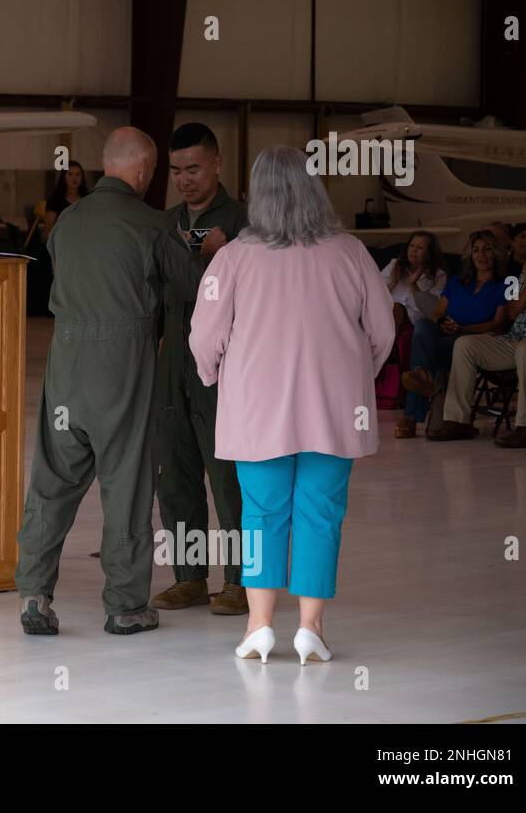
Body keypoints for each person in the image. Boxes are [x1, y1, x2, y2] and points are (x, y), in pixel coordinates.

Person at [189, 145, 394, 665]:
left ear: (256, 194)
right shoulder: (350, 252)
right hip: (334, 407)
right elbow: (384, 328)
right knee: (321, 514)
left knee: (260, 514)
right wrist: (354, 376)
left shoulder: (233, 256)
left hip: (258, 408)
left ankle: (259, 627)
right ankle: (310, 629)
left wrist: (214, 373)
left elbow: (203, 334)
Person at [15, 127, 193, 637]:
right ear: (143, 169)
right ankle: (124, 605)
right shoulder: (152, 225)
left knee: (52, 482)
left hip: (67, 361)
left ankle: (34, 594)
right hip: (123, 366)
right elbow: (189, 287)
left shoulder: (67, 221)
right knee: (127, 482)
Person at [152, 122, 251, 616]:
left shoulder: (244, 223)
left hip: (225, 363)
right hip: (172, 359)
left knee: (227, 473)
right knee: (176, 471)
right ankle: (189, 578)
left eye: (193, 168)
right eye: (175, 170)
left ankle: (239, 582)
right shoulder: (163, 222)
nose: (184, 179)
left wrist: (223, 254)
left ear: (217, 163)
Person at [430, 212, 526, 448]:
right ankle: (457, 420)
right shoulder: (524, 271)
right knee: (465, 345)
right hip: (517, 340)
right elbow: (512, 312)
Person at [395, 230, 508, 437]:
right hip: (448, 336)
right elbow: (438, 311)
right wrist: (442, 322)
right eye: (476, 250)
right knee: (422, 326)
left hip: (476, 341)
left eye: (487, 249)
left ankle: (413, 411)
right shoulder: (458, 281)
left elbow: (499, 323)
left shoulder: (509, 282)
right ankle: (425, 380)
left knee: (428, 350)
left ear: (497, 253)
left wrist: (463, 329)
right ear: (470, 255)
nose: (481, 255)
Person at [380, 231, 446, 336]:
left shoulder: (439, 275)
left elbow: (432, 309)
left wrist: (413, 283)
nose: (414, 250)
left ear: (429, 254)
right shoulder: (395, 265)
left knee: (397, 308)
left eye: (420, 248)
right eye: (412, 246)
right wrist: (393, 283)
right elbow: (374, 296)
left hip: (414, 319)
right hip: (385, 314)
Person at [41, 161, 88, 237]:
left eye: (78, 174)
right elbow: (47, 232)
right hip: (61, 242)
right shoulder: (55, 201)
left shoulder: (88, 199)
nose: (74, 178)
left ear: (82, 177)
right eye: (70, 174)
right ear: (64, 177)